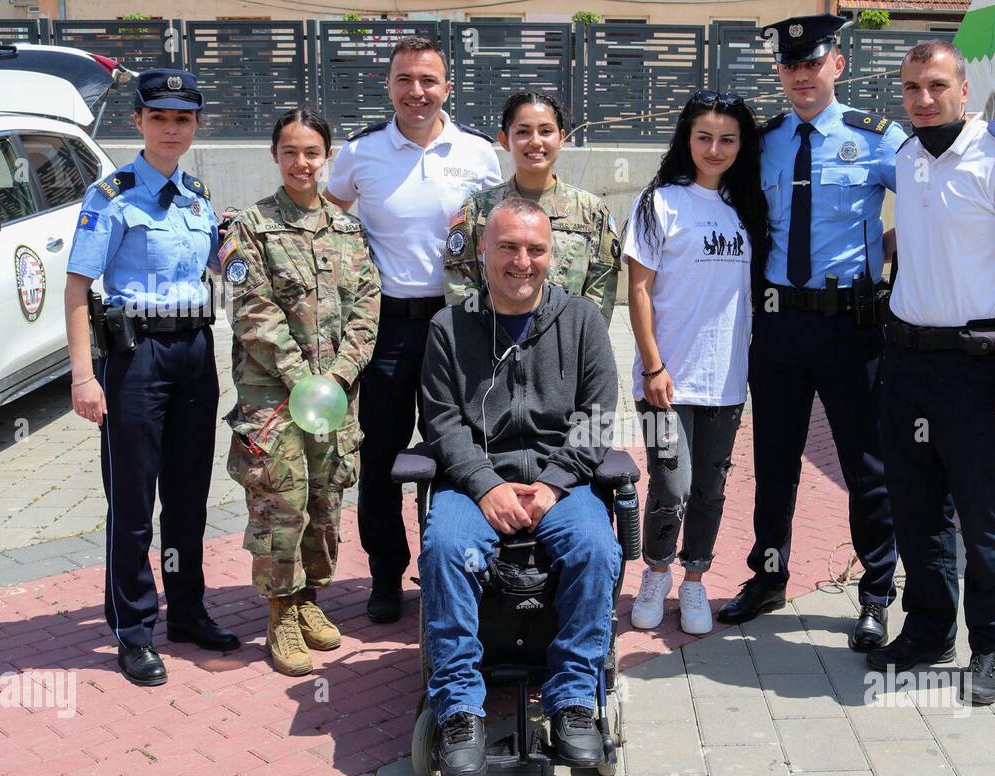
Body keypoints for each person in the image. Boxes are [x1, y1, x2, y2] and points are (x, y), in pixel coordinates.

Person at [868, 40, 995, 705]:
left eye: (937, 86)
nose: (924, 98)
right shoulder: (906, 154)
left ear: (964, 89)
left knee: (985, 518)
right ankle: (927, 629)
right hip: (908, 364)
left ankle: (992, 646)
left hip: (976, 372)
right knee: (916, 511)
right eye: (913, 87)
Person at [717, 14, 905, 657]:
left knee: (867, 465)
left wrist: (886, 252)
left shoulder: (878, 139)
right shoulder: (762, 143)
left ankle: (877, 594)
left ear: (837, 65)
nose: (801, 74)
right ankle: (768, 576)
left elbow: (934, 206)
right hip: (777, 326)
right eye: (790, 65)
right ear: (780, 73)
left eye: (813, 62)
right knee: (772, 463)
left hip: (851, 328)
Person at [418, 199, 620, 776]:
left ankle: (575, 699)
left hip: (561, 482)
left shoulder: (581, 320)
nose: (521, 261)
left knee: (596, 549)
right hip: (474, 481)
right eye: (507, 246)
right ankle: (458, 708)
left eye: (534, 249)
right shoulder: (448, 328)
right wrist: (485, 486)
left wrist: (555, 485)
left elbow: (597, 418)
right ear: (482, 251)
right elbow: (442, 423)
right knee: (445, 549)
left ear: (551, 254)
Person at [63, 69, 239, 687]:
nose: (171, 129)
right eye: (159, 117)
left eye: (183, 119)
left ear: (195, 125)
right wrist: (84, 376)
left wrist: (232, 250)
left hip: (194, 351)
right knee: (133, 504)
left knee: (189, 497)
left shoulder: (197, 195)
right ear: (137, 122)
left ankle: (186, 611)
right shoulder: (110, 196)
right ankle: (134, 630)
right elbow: (79, 287)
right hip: (134, 360)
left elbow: (218, 266)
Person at [324, 35, 502, 624]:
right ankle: (384, 575)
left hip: (462, 327)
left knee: (463, 450)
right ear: (389, 86)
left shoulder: (478, 154)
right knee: (380, 457)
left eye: (428, 81)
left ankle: (452, 566)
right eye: (405, 80)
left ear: (447, 87)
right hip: (388, 331)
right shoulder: (360, 154)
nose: (417, 92)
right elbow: (325, 215)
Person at [222, 109, 381, 677]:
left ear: (327, 157)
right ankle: (279, 612)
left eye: (312, 152)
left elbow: (368, 307)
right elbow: (253, 314)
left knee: (326, 501)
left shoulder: (348, 230)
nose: (301, 163)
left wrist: (337, 377)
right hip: (274, 400)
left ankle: (311, 598)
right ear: (275, 157)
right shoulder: (251, 226)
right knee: (279, 504)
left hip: (334, 398)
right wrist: (303, 378)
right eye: (290, 151)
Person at [624, 90, 767, 635]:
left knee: (710, 487)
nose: (715, 148)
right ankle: (655, 573)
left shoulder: (747, 206)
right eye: (704, 136)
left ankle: (695, 579)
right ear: (687, 139)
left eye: (727, 139)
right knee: (671, 486)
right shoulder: (658, 203)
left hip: (726, 382)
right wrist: (653, 367)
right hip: (666, 380)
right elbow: (638, 290)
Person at [443, 91, 621, 318]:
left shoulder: (591, 212)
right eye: (523, 132)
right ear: (505, 140)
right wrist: (480, 340)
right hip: (493, 343)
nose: (536, 141)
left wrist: (577, 342)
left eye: (546, 131)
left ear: (561, 137)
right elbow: (461, 287)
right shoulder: (478, 209)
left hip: (564, 344)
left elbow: (599, 296)